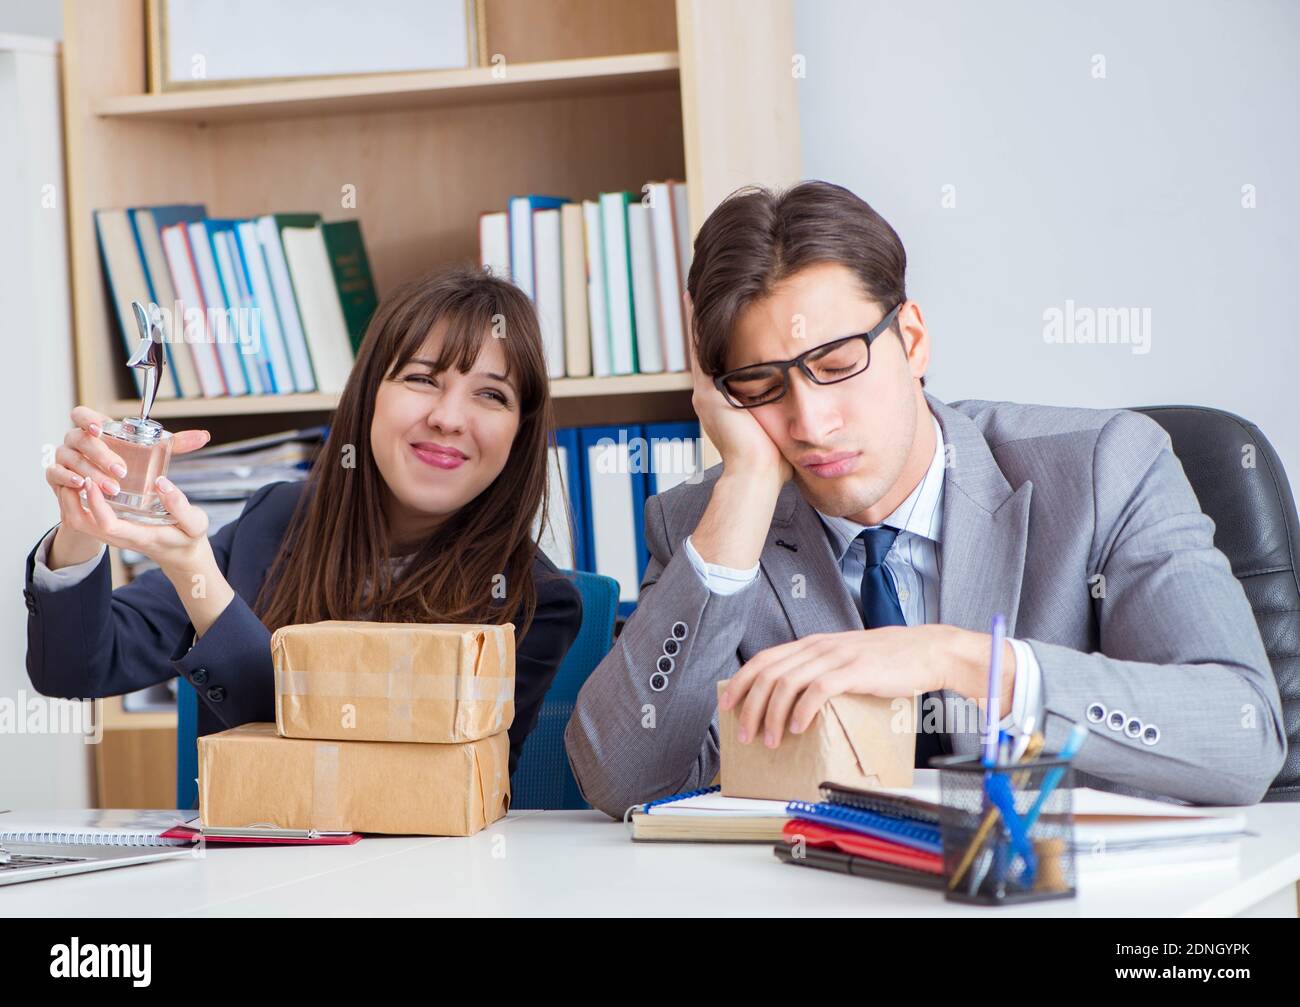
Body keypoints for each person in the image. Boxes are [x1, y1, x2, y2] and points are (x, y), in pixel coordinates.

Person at [565, 180, 1285, 816]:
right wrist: (747, 483)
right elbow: (624, 779)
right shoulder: (712, 530)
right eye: (762, 389)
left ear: (911, 340)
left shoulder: (1107, 468)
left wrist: (963, 660)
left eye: (837, 366)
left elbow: (1243, 732)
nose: (812, 424)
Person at [27, 266, 582, 778]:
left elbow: (389, 780)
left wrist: (203, 584)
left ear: (519, 431)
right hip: (238, 875)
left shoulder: (535, 602)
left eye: (490, 394)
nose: (448, 418)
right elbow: (75, 670)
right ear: (369, 395)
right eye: (422, 379)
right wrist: (83, 524)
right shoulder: (278, 520)